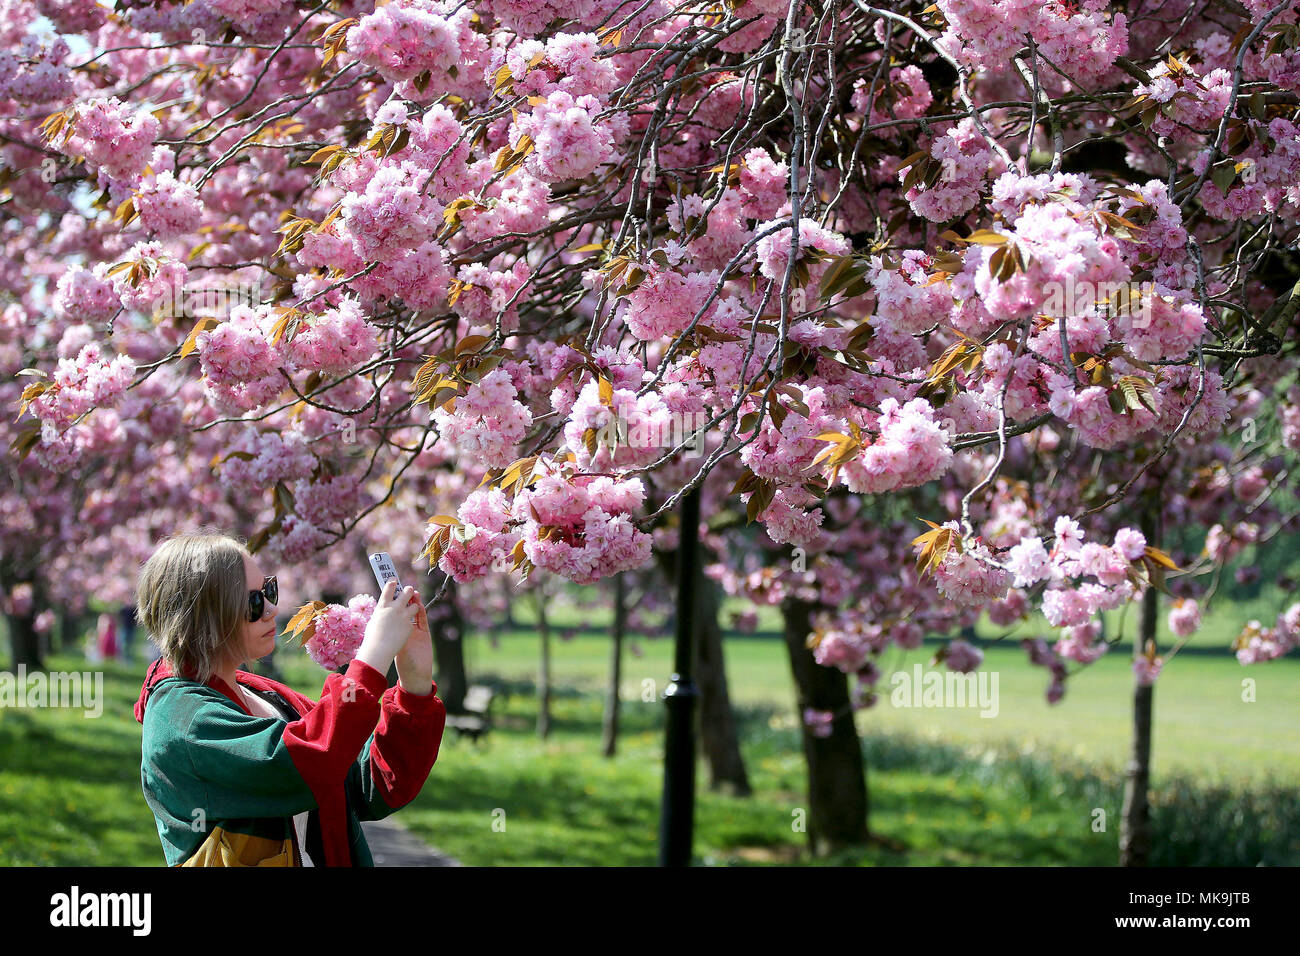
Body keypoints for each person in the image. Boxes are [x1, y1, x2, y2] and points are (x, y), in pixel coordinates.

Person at [132, 529, 446, 867]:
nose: (271, 609)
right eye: (253, 602)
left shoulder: (259, 693)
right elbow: (310, 762)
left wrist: (414, 684)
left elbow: (365, 783)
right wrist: (371, 658)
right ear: (205, 616)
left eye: (269, 590)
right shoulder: (184, 720)